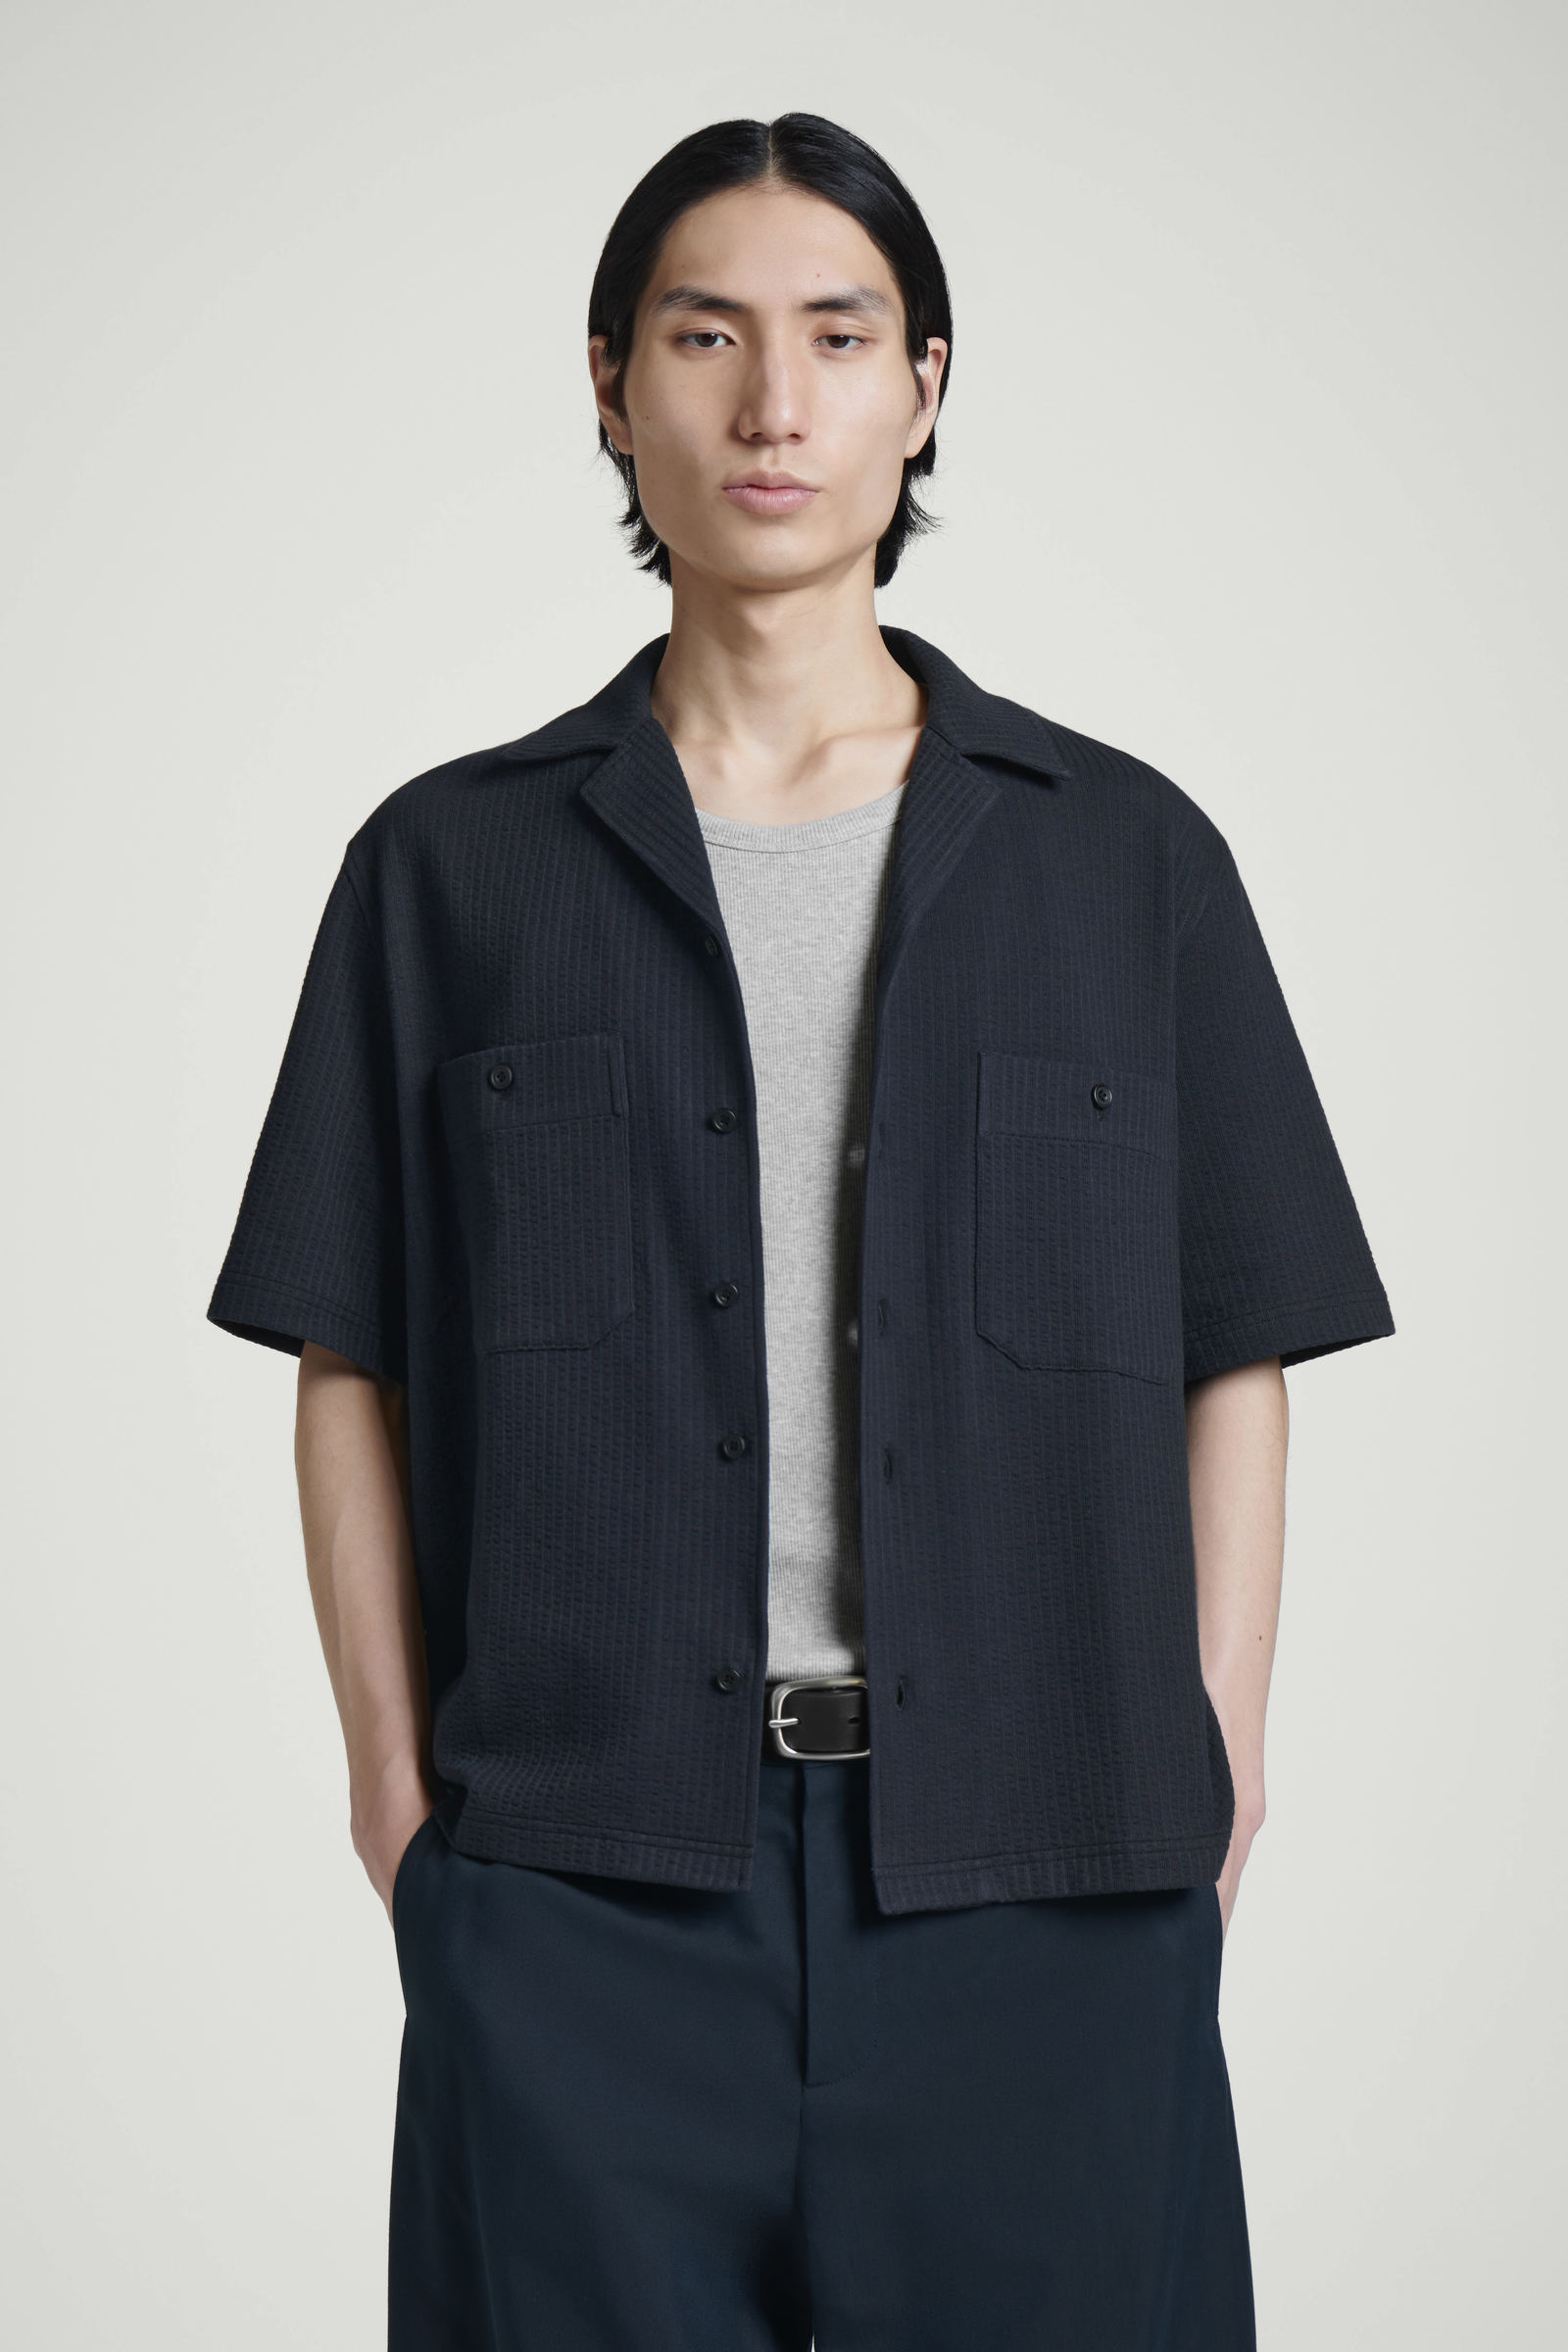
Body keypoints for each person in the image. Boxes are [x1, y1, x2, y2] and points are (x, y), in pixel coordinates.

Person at [209, 111, 1393, 2351]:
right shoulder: (448, 875)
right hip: (580, 1896)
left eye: (839, 338)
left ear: (922, 388)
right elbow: (347, 1353)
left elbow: (1228, 1346)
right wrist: (400, 1807)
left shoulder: (1122, 862)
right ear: (606, 383)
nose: (774, 403)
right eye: (705, 337)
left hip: (1047, 1885)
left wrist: (1211, 1762)